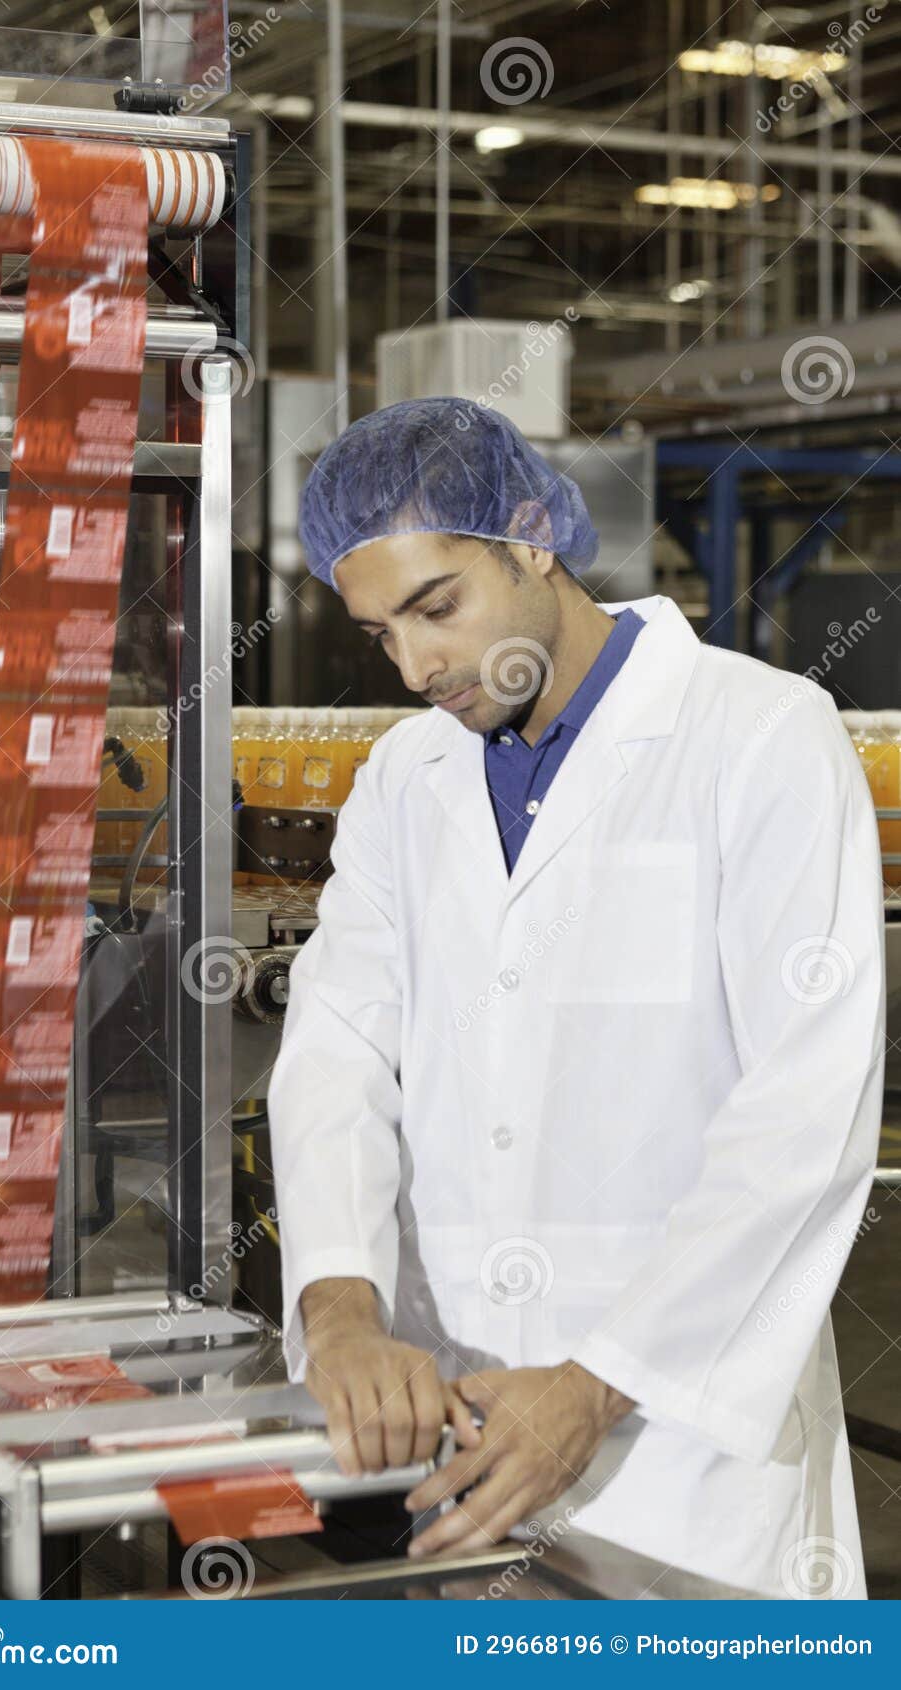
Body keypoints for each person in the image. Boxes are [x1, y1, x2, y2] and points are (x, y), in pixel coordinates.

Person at [267, 397, 885, 1597]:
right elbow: (340, 1045)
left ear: (530, 534)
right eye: (378, 632)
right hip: (467, 1434)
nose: (416, 667)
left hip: (687, 1450)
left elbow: (803, 1115)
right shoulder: (406, 776)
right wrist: (339, 1305)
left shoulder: (758, 737)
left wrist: (600, 1380)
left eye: (437, 606)